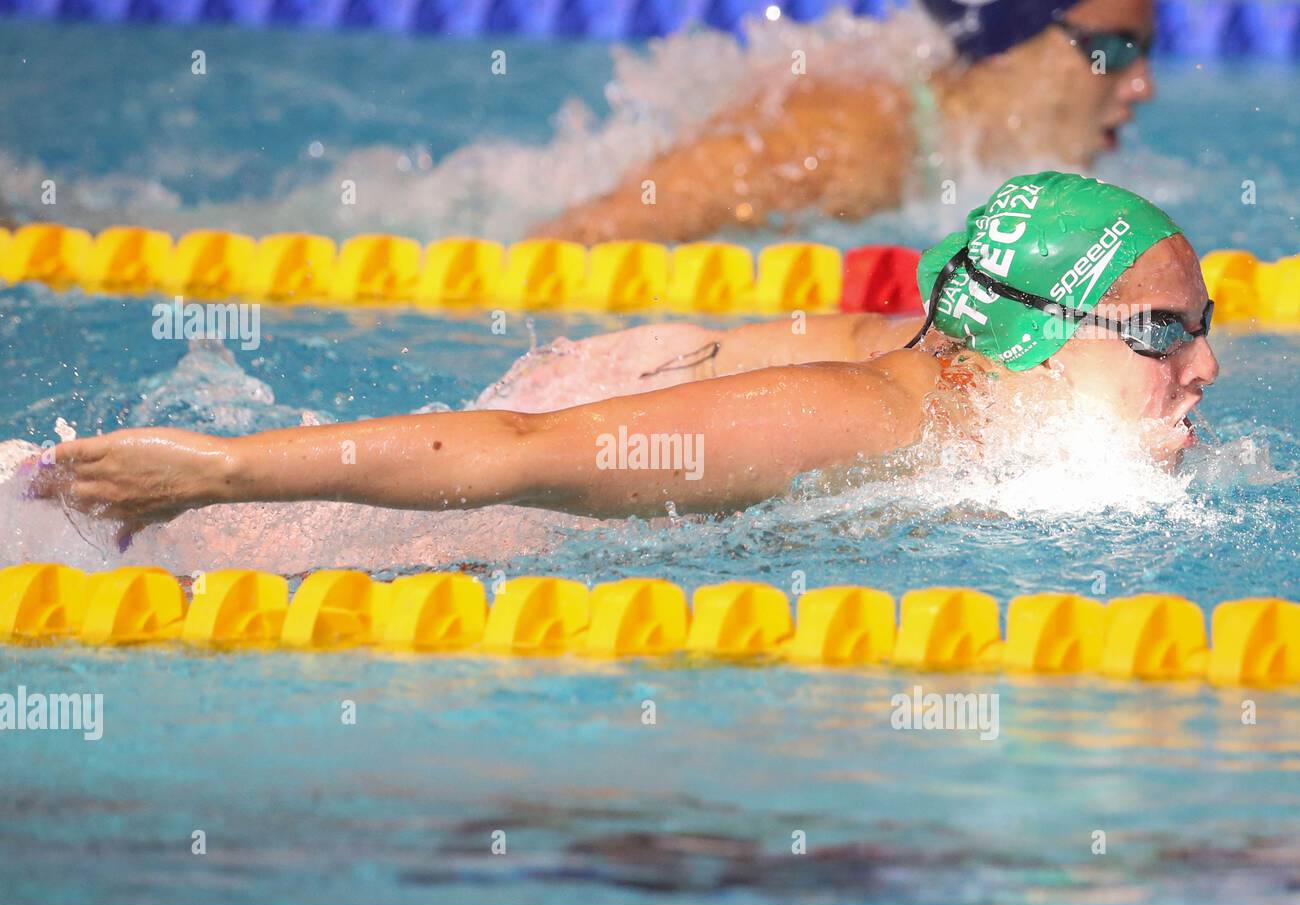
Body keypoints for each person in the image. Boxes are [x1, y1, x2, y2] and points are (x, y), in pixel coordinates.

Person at [27, 172, 1217, 546]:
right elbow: (514, 453)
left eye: (1202, 325)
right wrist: (216, 473)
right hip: (423, 503)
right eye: (1167, 333)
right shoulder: (871, 419)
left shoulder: (974, 374)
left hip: (624, 380)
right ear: (1036, 336)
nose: (1204, 364)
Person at [532, 0, 1156, 243]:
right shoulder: (848, 144)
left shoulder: (958, 159)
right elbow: (574, 243)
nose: (1143, 86)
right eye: (1117, 49)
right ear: (1005, 46)